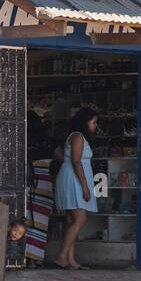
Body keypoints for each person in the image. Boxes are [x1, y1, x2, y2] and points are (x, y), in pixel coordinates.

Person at [52, 106, 99, 270]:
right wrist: (85, 187)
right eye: (94, 122)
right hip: (74, 180)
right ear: (86, 122)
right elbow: (76, 161)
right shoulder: (78, 137)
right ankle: (61, 256)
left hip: (71, 178)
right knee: (80, 219)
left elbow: (60, 154)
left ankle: (70, 260)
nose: (95, 126)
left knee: (72, 220)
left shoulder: (75, 137)